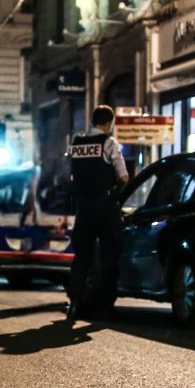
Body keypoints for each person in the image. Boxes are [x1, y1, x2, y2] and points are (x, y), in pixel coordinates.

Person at [65, 105, 130, 319]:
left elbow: (70, 177)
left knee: (82, 255)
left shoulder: (77, 143)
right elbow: (123, 177)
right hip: (105, 206)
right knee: (110, 253)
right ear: (108, 123)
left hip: (83, 207)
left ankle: (75, 301)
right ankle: (105, 304)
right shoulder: (109, 143)